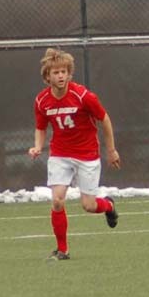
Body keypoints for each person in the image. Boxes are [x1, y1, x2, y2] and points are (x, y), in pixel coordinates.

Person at [28, 48, 121, 260]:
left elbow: (104, 119)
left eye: (64, 71)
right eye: (55, 72)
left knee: (88, 205)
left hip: (87, 154)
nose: (60, 76)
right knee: (57, 201)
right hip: (60, 155)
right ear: (47, 76)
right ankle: (62, 250)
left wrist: (111, 150)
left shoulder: (83, 96)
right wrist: (37, 146)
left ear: (69, 73)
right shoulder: (42, 101)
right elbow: (41, 127)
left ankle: (109, 205)